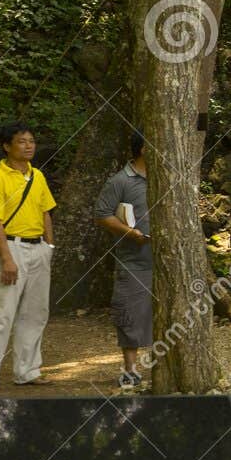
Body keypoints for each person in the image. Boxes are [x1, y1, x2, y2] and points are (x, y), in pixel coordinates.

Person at [0, 122, 58, 393]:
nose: (29, 145)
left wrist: (50, 246)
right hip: (11, 247)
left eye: (31, 140)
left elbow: (46, 212)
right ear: (7, 146)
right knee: (0, 314)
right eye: (21, 141)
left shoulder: (38, 176)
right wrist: (7, 259)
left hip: (38, 248)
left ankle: (28, 370)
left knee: (35, 313)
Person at [94, 130, 153, 389]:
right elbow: (102, 214)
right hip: (134, 259)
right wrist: (132, 234)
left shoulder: (168, 177)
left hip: (166, 261)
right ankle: (130, 370)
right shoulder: (121, 181)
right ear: (143, 149)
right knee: (130, 313)